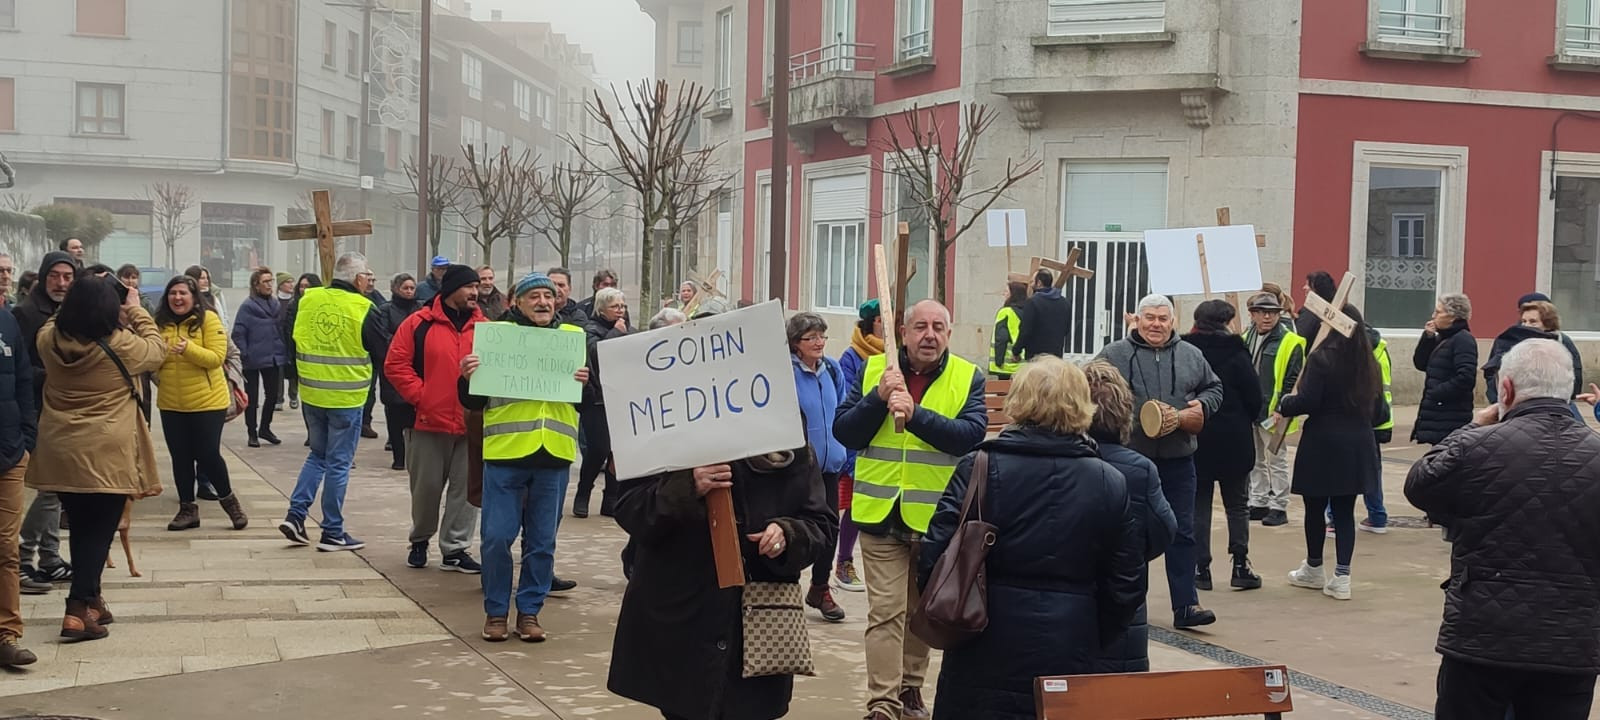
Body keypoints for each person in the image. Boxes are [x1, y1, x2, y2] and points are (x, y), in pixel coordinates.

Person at [920, 356, 1144, 720]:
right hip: (1072, 640)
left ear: (1019, 401)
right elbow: (1127, 583)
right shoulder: (1108, 480)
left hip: (981, 639)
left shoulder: (979, 467)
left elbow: (935, 556)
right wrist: (1091, 631)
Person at [1409, 340, 1600, 720]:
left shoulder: (1474, 447)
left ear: (1506, 390)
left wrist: (1472, 426)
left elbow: (1419, 484)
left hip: (1483, 636)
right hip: (1572, 641)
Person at [834, 299, 987, 720]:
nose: (929, 335)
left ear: (949, 335)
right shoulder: (873, 371)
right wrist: (877, 399)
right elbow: (845, 430)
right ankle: (882, 703)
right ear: (903, 333)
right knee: (886, 612)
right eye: (920, 326)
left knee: (923, 612)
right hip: (880, 513)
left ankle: (909, 687)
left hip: (935, 519)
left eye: (938, 327)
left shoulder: (967, 377)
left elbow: (969, 436)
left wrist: (915, 415)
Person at [608, 449, 834, 720]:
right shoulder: (665, 423)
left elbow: (820, 522)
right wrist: (686, 486)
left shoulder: (784, 426)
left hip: (758, 628)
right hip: (682, 621)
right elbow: (630, 507)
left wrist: (789, 534)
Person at [30, 275, 165, 641]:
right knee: (98, 533)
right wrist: (136, 309)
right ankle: (76, 611)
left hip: (61, 449)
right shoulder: (122, 345)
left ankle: (92, 601)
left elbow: (52, 321)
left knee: (81, 527)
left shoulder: (49, 340)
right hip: (106, 452)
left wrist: (78, 296)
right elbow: (157, 349)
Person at [459, 272, 591, 642]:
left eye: (548, 296)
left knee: (542, 542)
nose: (543, 302)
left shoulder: (572, 341)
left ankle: (530, 612)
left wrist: (587, 380)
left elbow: (590, 401)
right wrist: (467, 377)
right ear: (515, 303)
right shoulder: (498, 339)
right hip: (505, 456)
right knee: (497, 538)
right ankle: (496, 612)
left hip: (554, 456)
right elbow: (472, 402)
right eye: (534, 296)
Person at [1096, 293, 1224, 629]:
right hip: (1129, 460)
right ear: (1136, 320)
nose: (1156, 324)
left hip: (1179, 459)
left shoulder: (1190, 355)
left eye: (1162, 318)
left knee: (1182, 530)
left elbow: (1214, 388)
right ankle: (1130, 605)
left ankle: (1186, 606)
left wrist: (1201, 408)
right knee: (1129, 532)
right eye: (1149, 317)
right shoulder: (1113, 354)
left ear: (1173, 322)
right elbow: (1090, 386)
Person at [1280, 304, 1383, 601]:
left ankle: (1314, 567)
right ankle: (1342, 575)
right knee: (1344, 511)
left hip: (1323, 441)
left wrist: (1286, 402)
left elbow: (1308, 400)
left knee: (1315, 507)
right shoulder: (1368, 363)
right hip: (1357, 442)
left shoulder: (1322, 359)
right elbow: (1377, 409)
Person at [278, 253, 379, 553]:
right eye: (367, 277)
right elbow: (380, 349)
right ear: (359, 279)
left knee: (317, 456)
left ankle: (296, 516)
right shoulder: (363, 307)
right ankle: (332, 531)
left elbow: (290, 337)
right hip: (346, 397)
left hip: (312, 393)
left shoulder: (307, 299)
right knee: (338, 463)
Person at [386, 264, 484, 573]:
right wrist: (423, 396)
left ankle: (455, 549)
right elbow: (396, 364)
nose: (475, 292)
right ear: (450, 289)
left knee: (466, 491)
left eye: (477, 286)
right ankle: (419, 540)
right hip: (427, 422)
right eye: (469, 286)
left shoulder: (487, 328)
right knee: (426, 489)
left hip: (471, 423)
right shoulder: (418, 323)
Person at [1082, 360, 1177, 673]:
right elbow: (1164, 529)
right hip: (1124, 601)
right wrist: (1133, 554)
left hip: (1069, 605)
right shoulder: (1139, 469)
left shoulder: (1060, 461)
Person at [155, 275, 247, 531]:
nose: (177, 298)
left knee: (207, 454)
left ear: (194, 296)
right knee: (180, 457)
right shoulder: (159, 323)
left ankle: (230, 502)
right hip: (172, 403)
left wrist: (188, 349)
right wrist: (158, 360)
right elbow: (151, 359)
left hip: (208, 401)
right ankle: (187, 509)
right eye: (173, 293)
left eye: (183, 293)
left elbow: (217, 358)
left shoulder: (209, 319)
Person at [1182, 300, 1263, 592]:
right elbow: (1255, 398)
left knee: (1198, 503)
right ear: (1225, 322)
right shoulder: (1237, 353)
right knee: (1237, 504)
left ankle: (1200, 567)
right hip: (1234, 438)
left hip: (1196, 434)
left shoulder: (1184, 352)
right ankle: (1240, 564)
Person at [13, 252, 76, 590]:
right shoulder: (25, 313)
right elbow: (18, 368)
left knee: (58, 488)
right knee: (51, 488)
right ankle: (23, 558)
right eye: (55, 276)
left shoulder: (70, 311)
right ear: (43, 277)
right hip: (37, 410)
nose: (62, 283)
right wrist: (55, 376)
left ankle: (49, 558)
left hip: (63, 410)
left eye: (68, 276)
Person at [787, 312, 848, 623]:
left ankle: (820, 587)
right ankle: (786, 588)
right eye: (811, 337)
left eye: (821, 336)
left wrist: (844, 451)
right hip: (798, 467)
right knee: (796, 529)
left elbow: (843, 410)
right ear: (796, 343)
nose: (819, 342)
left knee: (830, 529)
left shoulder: (833, 369)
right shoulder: (785, 373)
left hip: (830, 465)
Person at [833, 299, 884, 593]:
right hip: (857, 444)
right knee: (850, 506)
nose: (884, 325)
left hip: (887, 447)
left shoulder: (902, 354)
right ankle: (842, 562)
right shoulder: (852, 357)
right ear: (868, 324)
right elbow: (848, 405)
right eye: (878, 320)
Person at [1242, 292, 1303, 528]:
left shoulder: (1290, 341)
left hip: (1273, 411)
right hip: (1252, 408)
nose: (1267, 317)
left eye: (1272, 313)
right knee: (1255, 458)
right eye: (1262, 312)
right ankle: (1259, 501)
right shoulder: (1247, 336)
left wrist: (1281, 408)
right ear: (1253, 315)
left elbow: (1293, 378)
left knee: (1276, 458)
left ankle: (1279, 505)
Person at [0, 278, 35, 665]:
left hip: (9, 452)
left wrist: (27, 435)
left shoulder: (7, 322)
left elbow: (24, 378)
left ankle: (6, 633)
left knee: (6, 547)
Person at [575, 287, 631, 519]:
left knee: (618, 451)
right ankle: (583, 491)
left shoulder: (627, 330)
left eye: (623, 306)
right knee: (598, 448)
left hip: (621, 398)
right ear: (601, 308)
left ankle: (611, 498)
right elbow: (597, 355)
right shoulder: (590, 330)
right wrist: (616, 334)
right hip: (596, 400)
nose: (620, 311)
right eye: (615, 307)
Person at [1484, 295, 1584, 418]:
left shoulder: (1562, 341)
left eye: (1533, 321)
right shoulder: (1508, 340)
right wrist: (1498, 401)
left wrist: (1567, 397)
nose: (1526, 325)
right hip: (1518, 408)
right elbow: (1492, 372)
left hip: (1556, 406)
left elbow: (1575, 374)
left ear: (1547, 324)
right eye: (1524, 321)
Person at [1412, 293, 1478, 445]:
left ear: (1453, 316)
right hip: (1438, 415)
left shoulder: (1463, 339)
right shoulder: (1443, 338)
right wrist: (1427, 338)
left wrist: (1436, 393)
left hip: (1450, 415)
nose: (1433, 315)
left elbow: (1466, 377)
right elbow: (1420, 363)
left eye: (1438, 312)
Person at [374, 273, 423, 470]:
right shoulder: (385, 310)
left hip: (416, 367)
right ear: (396, 289)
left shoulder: (420, 309)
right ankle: (398, 456)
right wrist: (403, 344)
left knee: (414, 414)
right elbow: (382, 335)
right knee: (394, 413)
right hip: (393, 367)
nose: (409, 292)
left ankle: (413, 455)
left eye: (412, 288)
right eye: (406, 288)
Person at [232, 268, 285, 448]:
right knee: (252, 399)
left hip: (273, 358)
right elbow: (238, 333)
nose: (270, 285)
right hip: (252, 359)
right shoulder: (248, 306)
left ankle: (265, 428)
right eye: (265, 282)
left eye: (271, 281)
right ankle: (252, 432)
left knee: (272, 396)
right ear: (256, 285)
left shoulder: (275, 304)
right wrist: (244, 353)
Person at [280, 273, 320, 413]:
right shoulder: (294, 304)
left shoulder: (321, 305)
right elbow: (289, 328)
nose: (303, 289)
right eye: (301, 286)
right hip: (297, 350)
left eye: (307, 286)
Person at [1014, 269, 1070, 359]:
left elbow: (1025, 330)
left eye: (1032, 281)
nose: (1031, 284)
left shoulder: (1032, 302)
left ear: (1039, 283)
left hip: (1036, 355)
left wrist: (1016, 351)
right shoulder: (1064, 302)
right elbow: (1066, 329)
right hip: (1056, 356)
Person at [989, 281, 1026, 378]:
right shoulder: (1028, 312)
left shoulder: (1005, 312)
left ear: (1013, 295)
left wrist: (998, 360)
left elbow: (1001, 338)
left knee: (1003, 392)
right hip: (1023, 364)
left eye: (1006, 291)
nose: (1004, 294)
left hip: (1006, 365)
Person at [184, 265, 227, 330]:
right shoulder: (183, 298)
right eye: (202, 278)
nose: (206, 281)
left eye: (207, 278)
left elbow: (222, 319)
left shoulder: (213, 297)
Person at [1295, 271, 1336, 339]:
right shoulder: (1335, 310)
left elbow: (1299, 336)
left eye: (1308, 285)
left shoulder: (1310, 312)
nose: (1304, 287)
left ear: (1317, 289)